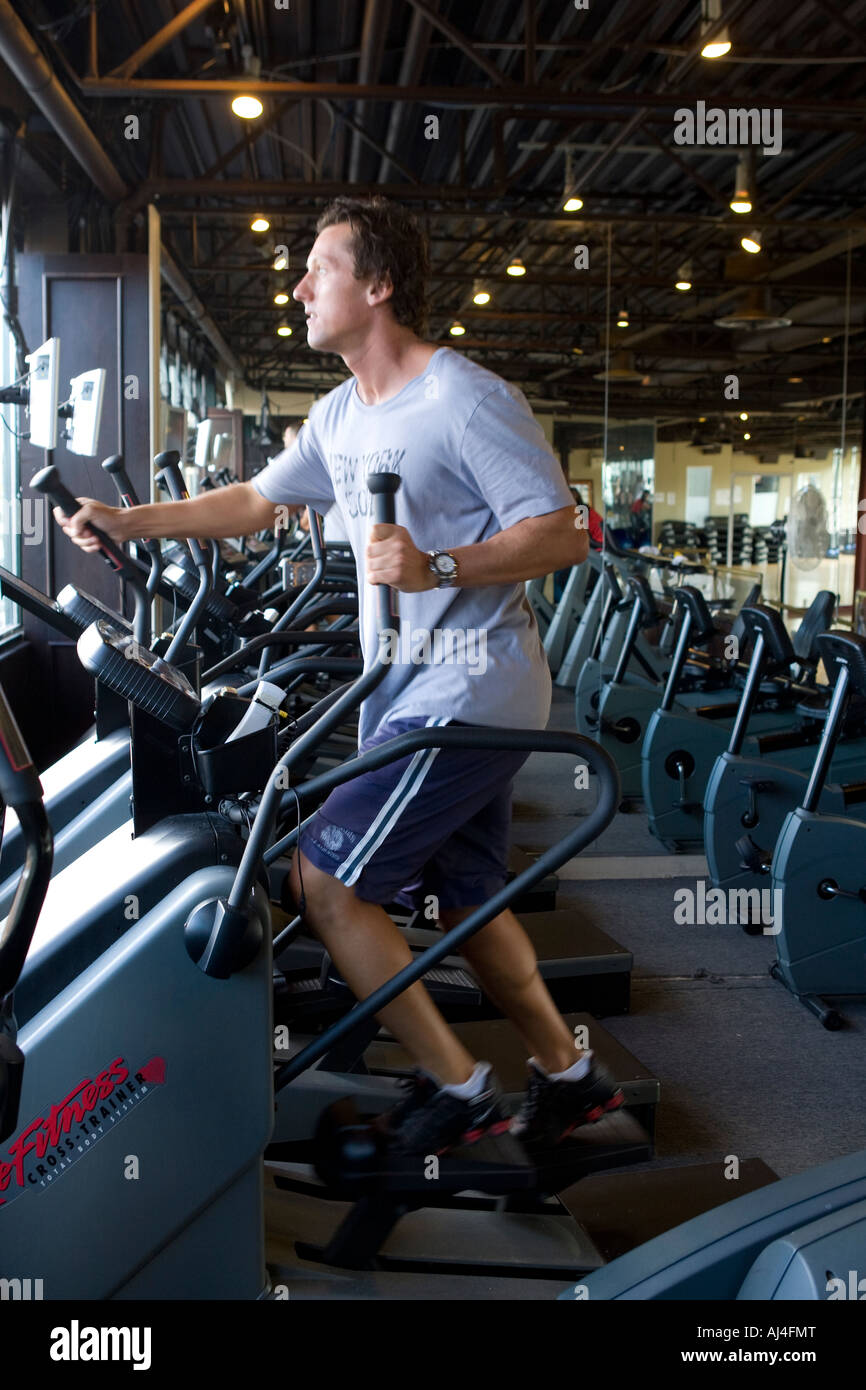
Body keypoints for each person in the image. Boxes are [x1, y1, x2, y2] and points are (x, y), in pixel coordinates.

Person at [57, 195, 624, 1159]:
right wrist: (131, 520)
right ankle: (573, 1080)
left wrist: (440, 566)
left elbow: (567, 529)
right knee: (463, 907)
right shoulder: (337, 414)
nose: (298, 285)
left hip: (467, 690)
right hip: (402, 692)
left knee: (323, 884)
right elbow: (253, 500)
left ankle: (462, 1089)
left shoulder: (462, 396)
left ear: (379, 284)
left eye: (318, 267)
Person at [553, 488, 603, 602]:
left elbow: (583, 538)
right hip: (591, 552)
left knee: (560, 577)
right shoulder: (578, 511)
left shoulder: (582, 510)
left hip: (596, 555)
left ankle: (572, 605)